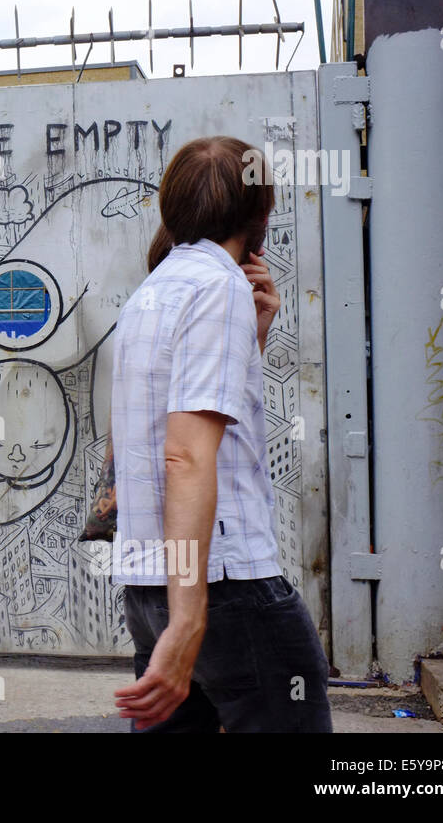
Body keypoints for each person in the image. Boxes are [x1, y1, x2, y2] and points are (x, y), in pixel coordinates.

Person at [110, 136, 332, 733]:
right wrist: (190, 619)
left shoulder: (151, 293)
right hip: (222, 584)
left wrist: (254, 333)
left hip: (150, 586)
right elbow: (184, 455)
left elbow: (186, 424)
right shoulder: (218, 288)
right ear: (258, 216)